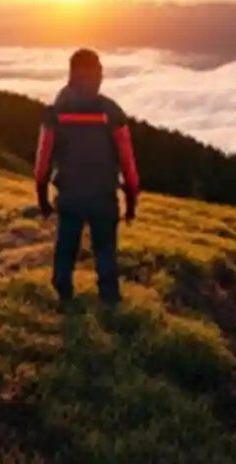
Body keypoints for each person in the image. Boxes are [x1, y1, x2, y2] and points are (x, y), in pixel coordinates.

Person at [33, 48, 140, 307]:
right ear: (93, 75)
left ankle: (64, 297)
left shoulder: (56, 113)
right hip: (104, 196)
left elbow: (42, 161)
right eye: (99, 70)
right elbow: (128, 162)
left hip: (69, 195)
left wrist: (42, 196)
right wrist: (132, 199)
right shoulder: (111, 112)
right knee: (105, 251)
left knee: (66, 247)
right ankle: (110, 302)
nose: (102, 74)